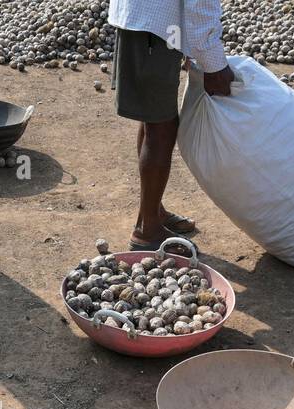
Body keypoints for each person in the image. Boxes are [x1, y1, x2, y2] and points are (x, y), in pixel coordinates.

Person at [107, 0, 235, 250]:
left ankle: (152, 211)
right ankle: (147, 231)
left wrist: (191, 46)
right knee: (162, 127)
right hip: (154, 28)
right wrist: (213, 63)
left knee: (154, 118)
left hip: (145, 21)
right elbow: (200, 4)